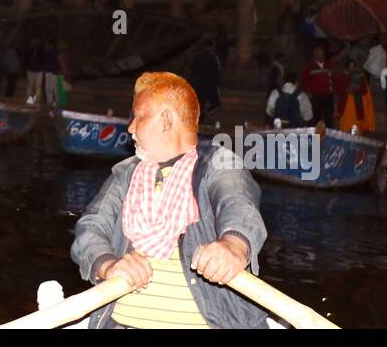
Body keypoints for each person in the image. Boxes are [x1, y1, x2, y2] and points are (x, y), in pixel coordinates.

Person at [70, 71, 273, 329]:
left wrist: (233, 244)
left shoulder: (219, 164)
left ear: (166, 120)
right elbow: (90, 226)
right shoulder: (125, 174)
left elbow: (238, 205)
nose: (130, 127)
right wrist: (109, 265)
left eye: (139, 117)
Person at [300, 44, 336, 127]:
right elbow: (304, 81)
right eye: (317, 52)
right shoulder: (309, 66)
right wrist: (308, 92)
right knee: (317, 117)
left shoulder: (329, 65)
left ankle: (329, 135)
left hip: (328, 95)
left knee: (329, 117)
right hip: (316, 96)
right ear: (314, 54)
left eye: (321, 52)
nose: (319, 53)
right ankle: (317, 136)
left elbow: (334, 79)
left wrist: (335, 91)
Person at [338, 57, 376, 133]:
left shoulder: (360, 77)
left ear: (355, 67)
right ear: (347, 67)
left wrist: (358, 89)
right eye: (350, 66)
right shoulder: (342, 76)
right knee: (346, 123)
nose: (351, 68)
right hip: (346, 103)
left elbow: (364, 91)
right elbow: (339, 89)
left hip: (357, 103)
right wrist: (346, 90)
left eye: (353, 66)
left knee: (356, 125)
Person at [189, 40, 223, 115]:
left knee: (201, 105)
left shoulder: (198, 57)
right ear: (211, 47)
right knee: (216, 104)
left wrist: (193, 84)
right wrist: (217, 82)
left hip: (200, 85)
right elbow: (217, 71)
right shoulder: (213, 58)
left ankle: (202, 120)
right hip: (210, 85)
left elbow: (193, 71)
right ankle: (208, 114)